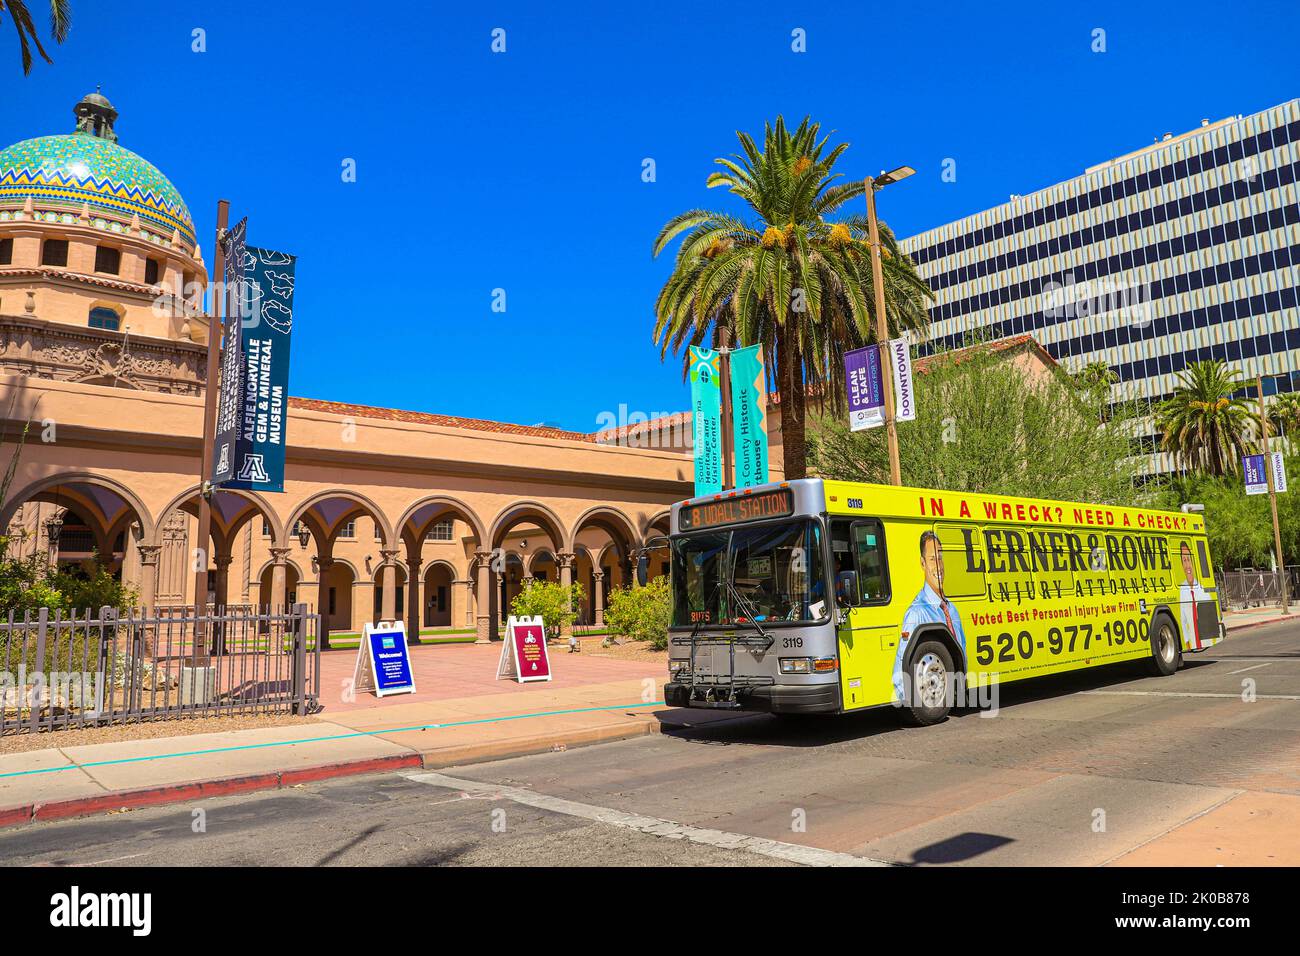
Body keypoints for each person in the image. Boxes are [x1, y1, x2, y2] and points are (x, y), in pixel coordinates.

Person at [894, 531, 968, 702]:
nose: (939, 565)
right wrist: (912, 703)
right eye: (933, 559)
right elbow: (901, 667)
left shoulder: (952, 610)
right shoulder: (917, 613)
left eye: (940, 558)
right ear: (923, 563)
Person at [1177, 540, 1210, 650]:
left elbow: (1209, 617)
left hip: (1205, 639)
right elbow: (1182, 620)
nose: (1187, 565)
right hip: (1192, 642)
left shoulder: (1202, 588)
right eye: (1184, 561)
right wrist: (1187, 644)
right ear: (1181, 565)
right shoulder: (1181, 589)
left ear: (1193, 563)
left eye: (1189, 560)